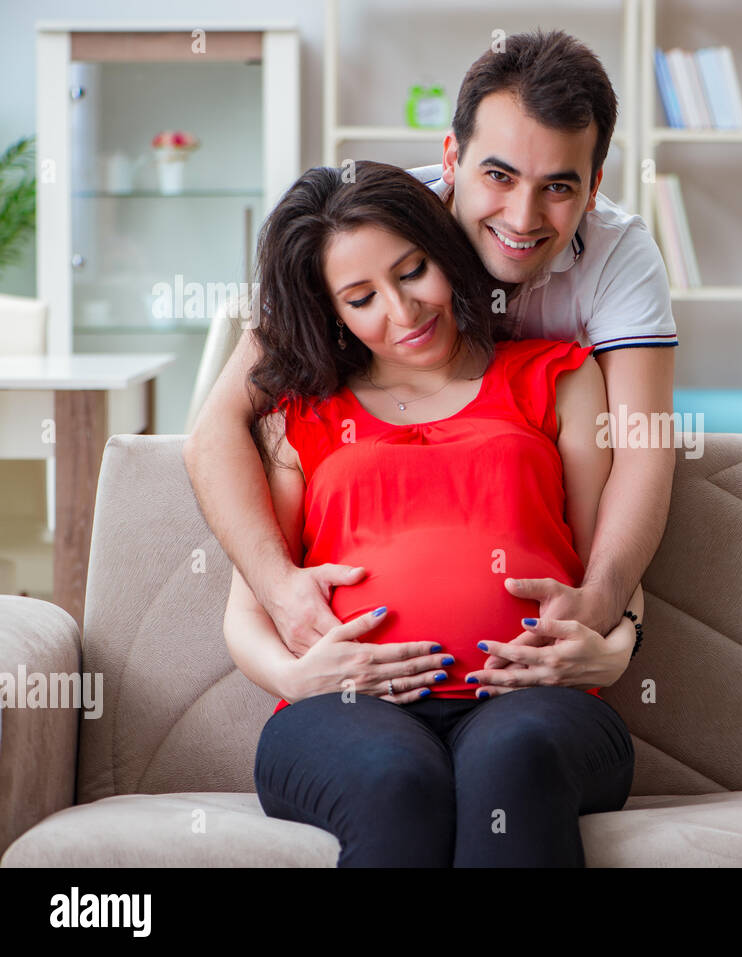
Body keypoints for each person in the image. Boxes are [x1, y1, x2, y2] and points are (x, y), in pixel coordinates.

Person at [185, 29, 676, 694]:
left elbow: (643, 446)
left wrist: (607, 606)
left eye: (558, 186)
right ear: (451, 158)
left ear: (592, 187)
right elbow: (214, 427)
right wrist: (279, 591)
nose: (523, 217)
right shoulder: (378, 228)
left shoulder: (621, 257)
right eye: (498, 175)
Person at [224, 160, 641, 867]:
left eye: (413, 270)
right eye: (361, 298)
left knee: (514, 760)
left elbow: (614, 559)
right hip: (345, 712)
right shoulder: (301, 414)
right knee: (397, 783)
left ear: (444, 251)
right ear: (332, 311)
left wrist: (618, 647)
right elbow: (246, 610)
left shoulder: (559, 376)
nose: (403, 311)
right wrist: (296, 680)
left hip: (535, 705)